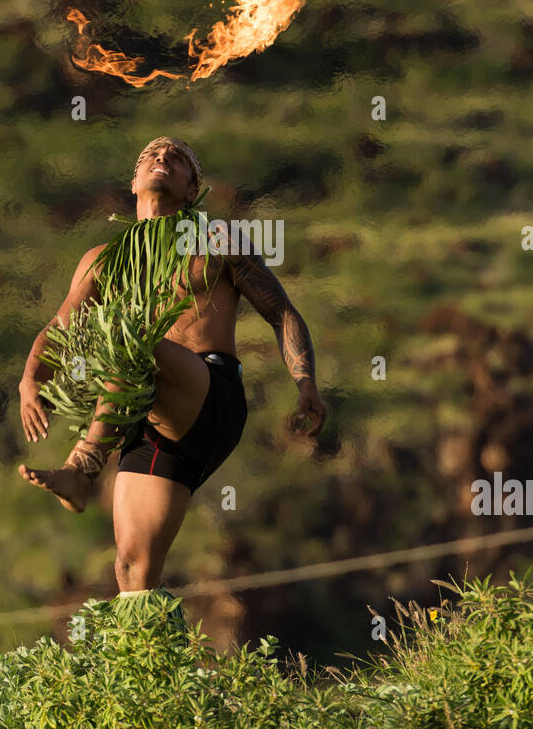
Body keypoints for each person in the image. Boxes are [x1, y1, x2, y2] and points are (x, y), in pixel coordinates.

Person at [18, 136, 326, 602]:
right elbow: (60, 327)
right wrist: (29, 381)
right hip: (150, 414)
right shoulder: (103, 261)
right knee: (132, 571)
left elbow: (280, 312)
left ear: (191, 189)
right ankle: (150, 667)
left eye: (176, 159)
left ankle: (82, 467)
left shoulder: (217, 242)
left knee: (125, 337)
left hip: (211, 393)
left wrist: (306, 383)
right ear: (134, 182)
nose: (162, 159)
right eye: (151, 156)